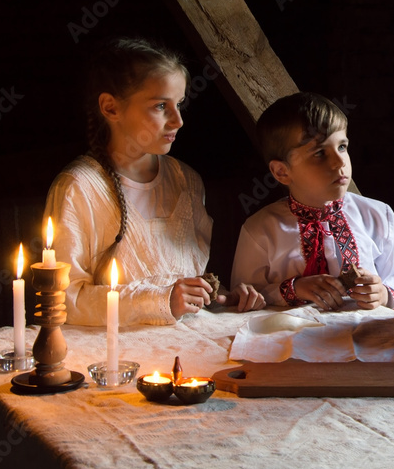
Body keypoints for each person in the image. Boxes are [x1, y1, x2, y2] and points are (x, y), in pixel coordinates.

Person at [44, 37, 264, 326]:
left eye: (179, 104)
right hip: (115, 356)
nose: (178, 120)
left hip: (189, 349)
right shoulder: (79, 188)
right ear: (111, 108)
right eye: (161, 106)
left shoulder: (186, 181)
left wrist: (223, 297)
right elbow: (66, 299)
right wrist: (158, 301)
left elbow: (183, 281)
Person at [231, 92, 394, 314]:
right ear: (282, 171)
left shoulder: (378, 215)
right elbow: (242, 299)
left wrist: (383, 294)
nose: (339, 162)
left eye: (342, 147)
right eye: (319, 153)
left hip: (368, 342)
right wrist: (293, 289)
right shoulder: (260, 229)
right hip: (288, 343)